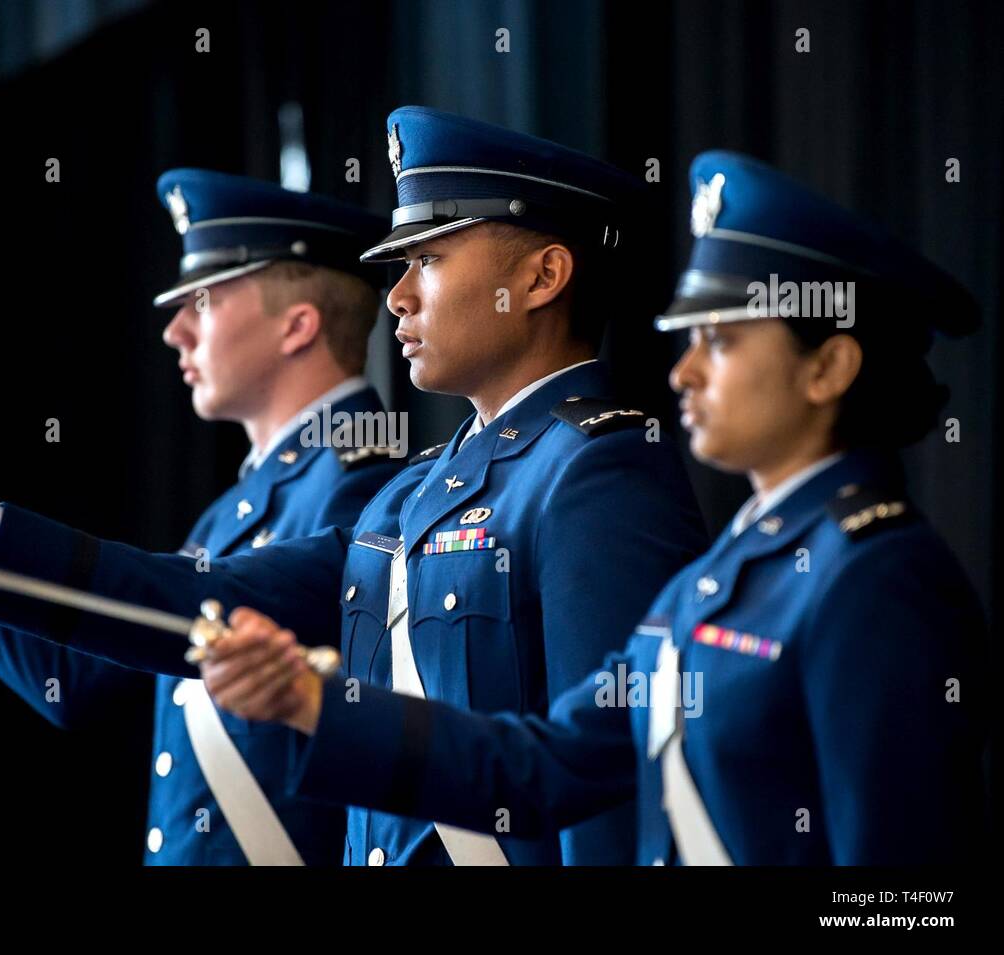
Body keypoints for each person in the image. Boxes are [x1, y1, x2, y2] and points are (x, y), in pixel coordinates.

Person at [0, 107, 708, 865]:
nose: (396, 298)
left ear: (543, 277)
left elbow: (606, 781)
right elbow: (189, 602)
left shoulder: (598, 468)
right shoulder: (412, 494)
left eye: (427, 259)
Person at [199, 151, 989, 865]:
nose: (682, 376)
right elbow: (550, 763)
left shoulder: (878, 574)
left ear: (829, 368)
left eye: (720, 341)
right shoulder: (718, 577)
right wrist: (314, 704)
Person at [0, 169, 400, 865]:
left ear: (298, 324)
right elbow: (76, 683)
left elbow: (182, 608)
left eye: (201, 301)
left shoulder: (364, 488)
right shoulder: (238, 509)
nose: (174, 332)